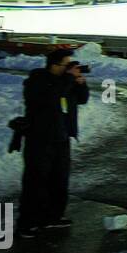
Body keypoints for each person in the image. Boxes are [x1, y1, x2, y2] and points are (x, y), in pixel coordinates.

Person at [17, 48, 90, 237]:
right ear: (54, 65)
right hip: (40, 139)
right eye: (66, 65)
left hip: (62, 139)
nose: (69, 69)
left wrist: (81, 84)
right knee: (36, 181)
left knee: (59, 180)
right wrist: (69, 79)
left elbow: (82, 100)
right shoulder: (38, 81)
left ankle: (52, 217)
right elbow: (50, 98)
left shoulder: (65, 83)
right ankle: (27, 223)